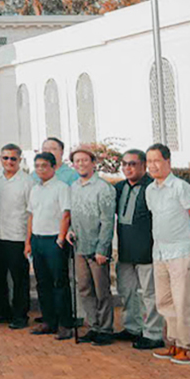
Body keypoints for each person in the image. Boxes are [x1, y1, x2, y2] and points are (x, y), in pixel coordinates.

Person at [145, 144, 190, 365]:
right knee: (165, 301)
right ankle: (173, 343)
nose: (152, 165)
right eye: (149, 161)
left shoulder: (182, 188)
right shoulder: (149, 190)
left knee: (184, 302)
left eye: (156, 160)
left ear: (168, 162)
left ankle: (189, 348)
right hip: (160, 253)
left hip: (183, 253)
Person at [112, 149, 165, 350]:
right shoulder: (118, 188)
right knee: (127, 292)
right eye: (124, 164)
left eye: (133, 164)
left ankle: (153, 334)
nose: (128, 168)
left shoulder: (152, 188)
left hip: (147, 253)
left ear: (143, 166)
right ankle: (132, 327)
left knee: (151, 294)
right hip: (125, 252)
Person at [67, 147, 116, 346]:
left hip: (97, 248)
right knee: (85, 288)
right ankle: (93, 326)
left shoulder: (103, 188)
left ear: (93, 163)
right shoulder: (74, 187)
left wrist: (102, 249)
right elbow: (72, 214)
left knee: (101, 290)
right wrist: (70, 230)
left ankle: (105, 329)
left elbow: (107, 221)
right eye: (77, 161)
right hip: (79, 246)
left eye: (84, 160)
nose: (81, 164)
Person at [0, 143, 34, 330]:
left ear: (19, 160)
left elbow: (31, 212)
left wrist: (28, 241)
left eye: (13, 158)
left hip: (18, 237)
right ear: (0, 159)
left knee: (19, 279)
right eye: (5, 158)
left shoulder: (27, 182)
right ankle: (3, 312)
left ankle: (20, 315)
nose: (9, 161)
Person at [27, 152, 73, 340]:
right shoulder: (35, 189)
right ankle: (49, 321)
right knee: (42, 282)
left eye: (44, 166)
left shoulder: (61, 187)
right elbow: (30, 215)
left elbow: (66, 214)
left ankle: (65, 324)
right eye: (37, 166)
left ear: (54, 167)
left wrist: (61, 238)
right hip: (37, 240)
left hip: (55, 239)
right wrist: (28, 241)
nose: (40, 169)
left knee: (59, 283)